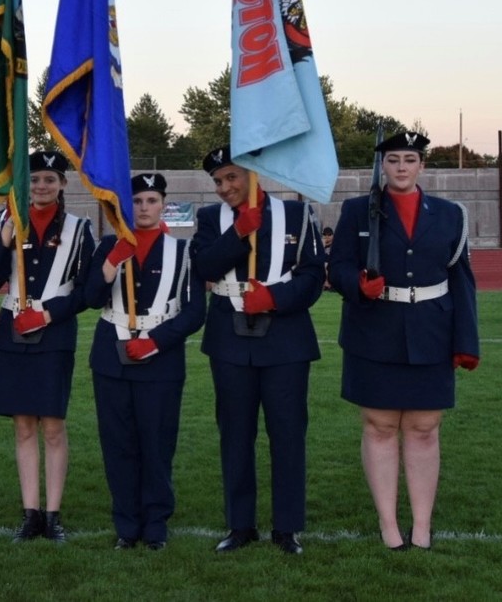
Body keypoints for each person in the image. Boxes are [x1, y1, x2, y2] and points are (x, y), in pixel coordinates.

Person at [329, 130, 479, 551]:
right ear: (382, 166)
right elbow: (337, 265)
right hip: (373, 330)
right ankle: (389, 524)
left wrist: (466, 341)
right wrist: (357, 284)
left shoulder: (451, 215)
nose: (400, 168)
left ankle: (422, 524)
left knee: (425, 427)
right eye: (392, 160)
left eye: (409, 160)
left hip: (432, 330)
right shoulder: (359, 211)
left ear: (422, 166)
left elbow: (462, 282)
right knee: (379, 426)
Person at [191, 146, 325, 555]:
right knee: (235, 434)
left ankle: (287, 527)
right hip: (229, 339)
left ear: (252, 174)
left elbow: (313, 276)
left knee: (287, 434)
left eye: (231, 177)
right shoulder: (211, 219)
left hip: (285, 340)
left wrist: (273, 298)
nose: (224, 187)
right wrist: (237, 234)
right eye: (217, 181)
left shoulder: (297, 216)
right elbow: (202, 269)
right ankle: (240, 524)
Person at [82, 173, 205, 551]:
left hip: (160, 360)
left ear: (163, 204)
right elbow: (89, 297)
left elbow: (194, 312)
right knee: (118, 444)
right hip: (112, 357)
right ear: (126, 207)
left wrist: (156, 341)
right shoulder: (108, 245)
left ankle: (155, 525)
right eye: (136, 202)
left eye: (151, 201)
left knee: (156, 443)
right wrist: (110, 265)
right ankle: (126, 524)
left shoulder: (184, 252)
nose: (144, 208)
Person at [0, 150, 95, 543]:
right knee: (23, 426)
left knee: (52, 427)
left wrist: (48, 314)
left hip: (54, 334)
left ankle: (53, 515)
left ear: (63, 184)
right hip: (13, 331)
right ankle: (30, 514)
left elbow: (85, 292)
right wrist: (4, 241)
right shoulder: (7, 220)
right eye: (34, 179)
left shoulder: (81, 229)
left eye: (50, 179)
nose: (41, 186)